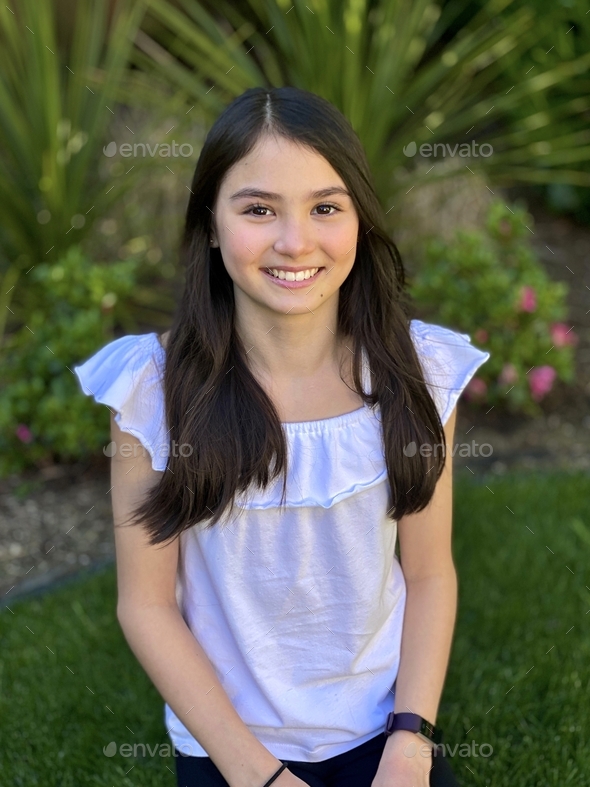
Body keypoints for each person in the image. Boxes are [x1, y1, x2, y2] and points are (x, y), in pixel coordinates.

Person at [74, 86, 490, 787]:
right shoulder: (151, 390)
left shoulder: (418, 372)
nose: (295, 241)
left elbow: (427, 573)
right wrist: (259, 774)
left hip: (383, 730)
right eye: (259, 208)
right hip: (230, 748)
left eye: (325, 207)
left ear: (358, 218)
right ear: (210, 223)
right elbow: (145, 605)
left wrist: (411, 742)